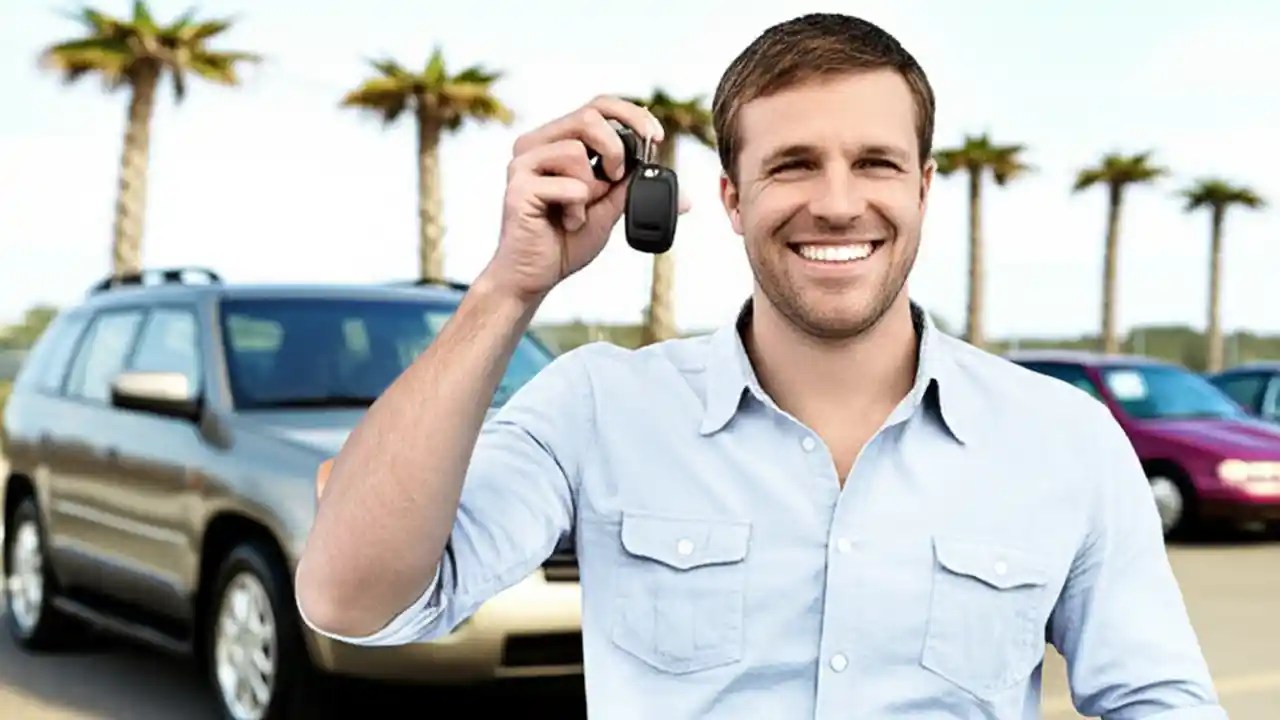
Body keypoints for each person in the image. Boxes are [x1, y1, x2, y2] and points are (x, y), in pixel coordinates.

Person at [295, 12, 1226, 719]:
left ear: (924, 190)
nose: (835, 201)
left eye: (874, 163)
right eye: (792, 165)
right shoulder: (596, 406)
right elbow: (355, 601)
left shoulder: (1062, 439)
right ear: (732, 200)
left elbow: (1159, 700)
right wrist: (510, 288)